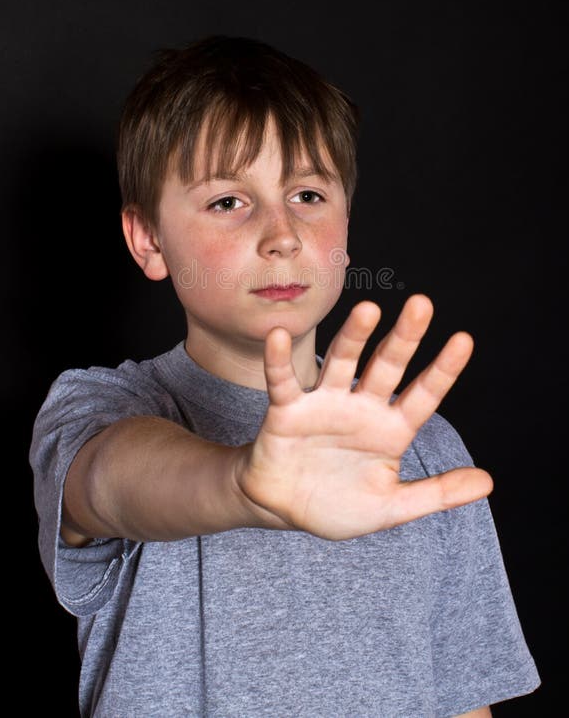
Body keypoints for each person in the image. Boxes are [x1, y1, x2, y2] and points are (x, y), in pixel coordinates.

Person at [30, 36, 540, 717]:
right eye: (228, 202)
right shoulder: (102, 406)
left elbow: (464, 699)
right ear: (148, 240)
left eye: (306, 194)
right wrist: (243, 482)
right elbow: (107, 486)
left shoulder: (422, 445)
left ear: (346, 227)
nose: (282, 234)